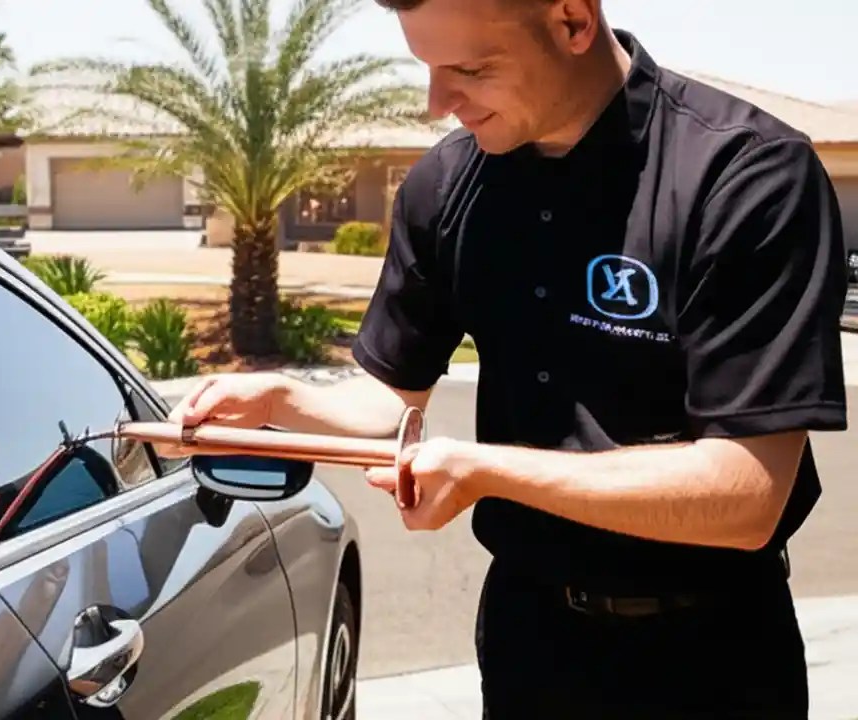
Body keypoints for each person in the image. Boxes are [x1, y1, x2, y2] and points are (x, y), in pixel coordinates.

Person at [167, 0, 850, 717]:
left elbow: (746, 495)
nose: (438, 103)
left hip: (713, 660)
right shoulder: (448, 186)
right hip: (530, 643)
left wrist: (486, 471)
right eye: (427, 69)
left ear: (572, 22)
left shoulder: (746, 175)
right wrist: (280, 402)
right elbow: (392, 403)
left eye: (469, 69)